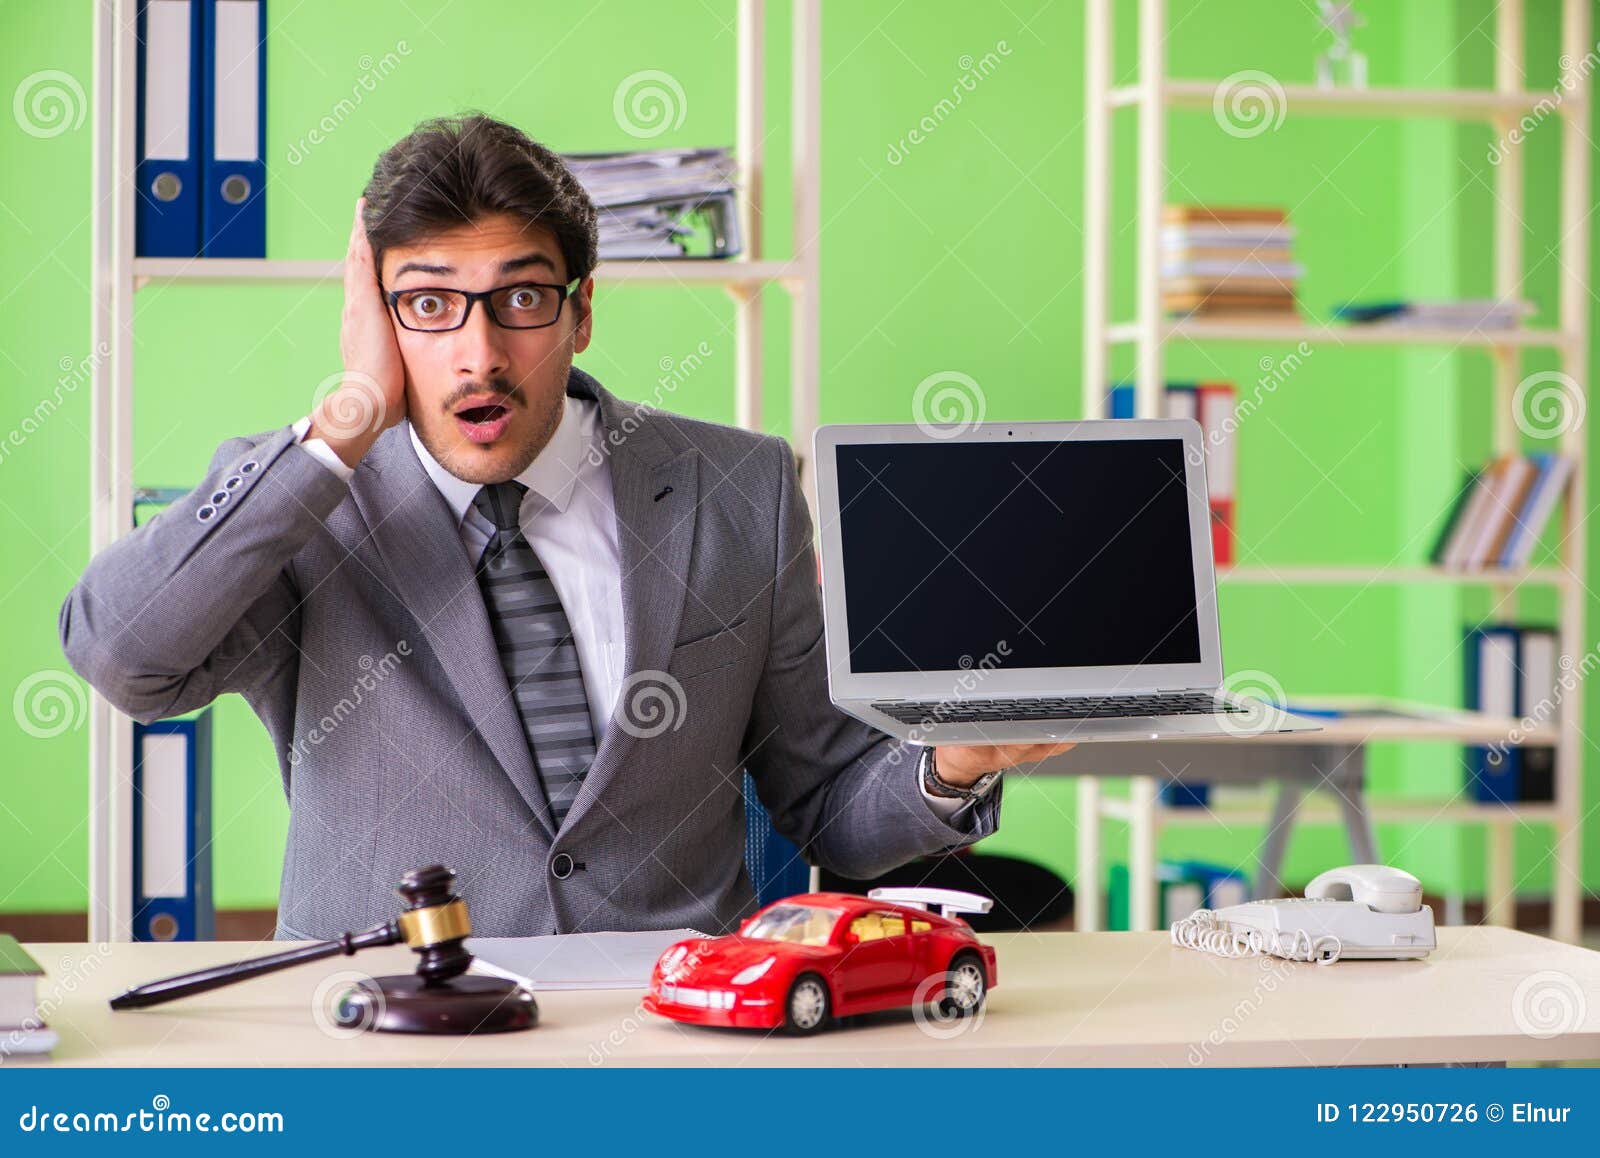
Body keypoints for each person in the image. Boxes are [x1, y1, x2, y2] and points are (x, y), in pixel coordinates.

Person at [59, 113, 1072, 940]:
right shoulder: (310, 502)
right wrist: (346, 420)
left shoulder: (740, 488)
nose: (480, 354)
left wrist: (955, 763)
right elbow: (123, 659)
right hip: (390, 1029)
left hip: (675, 1030)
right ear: (375, 318)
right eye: (429, 305)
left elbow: (827, 807)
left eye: (521, 298)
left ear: (582, 310)